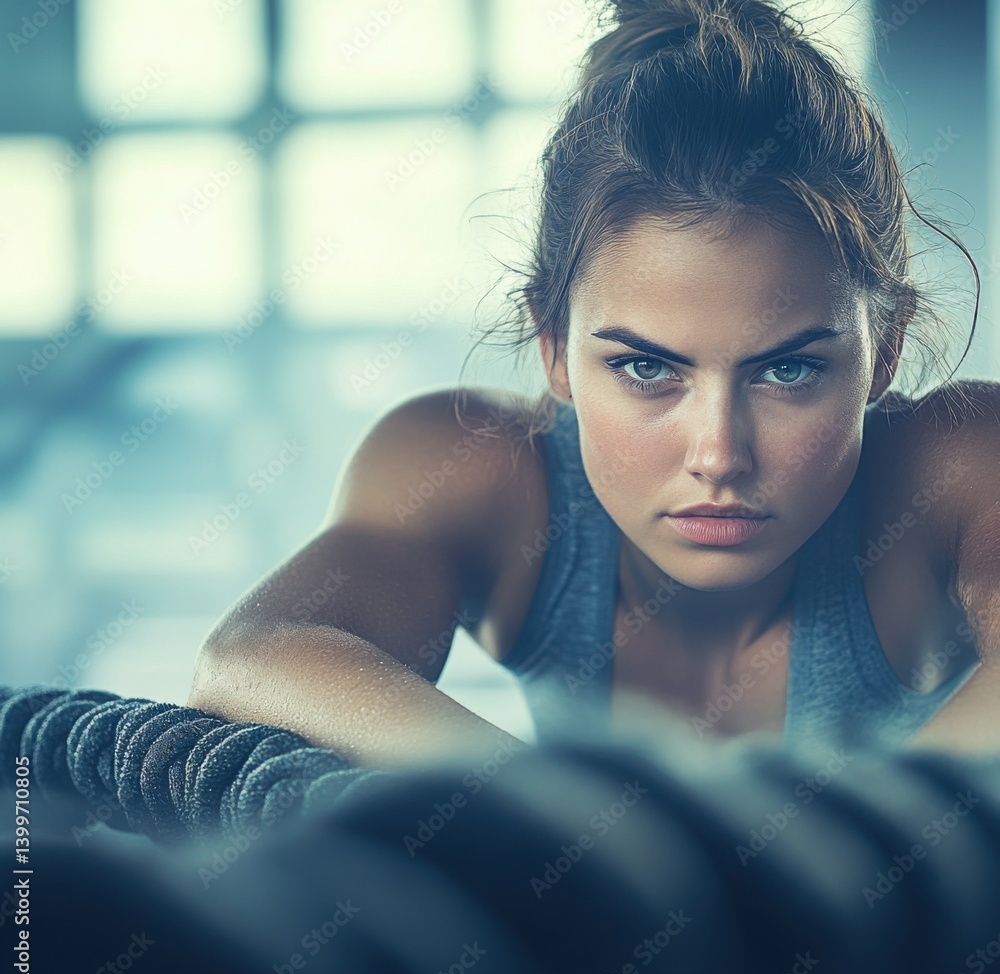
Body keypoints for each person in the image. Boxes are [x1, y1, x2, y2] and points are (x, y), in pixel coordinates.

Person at [187, 0, 1000, 769]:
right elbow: (253, 658)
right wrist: (563, 811)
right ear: (552, 347)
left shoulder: (955, 470)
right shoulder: (483, 471)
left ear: (885, 350)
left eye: (789, 369)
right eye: (646, 368)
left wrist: (841, 848)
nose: (718, 455)